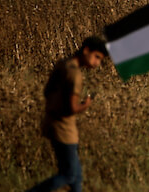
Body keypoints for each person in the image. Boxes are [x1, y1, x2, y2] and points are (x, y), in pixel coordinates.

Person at [24, 36, 109, 192]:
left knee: (77, 177)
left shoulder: (63, 64)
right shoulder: (75, 75)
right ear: (86, 50)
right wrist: (86, 104)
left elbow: (47, 91)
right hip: (65, 130)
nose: (97, 63)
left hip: (51, 121)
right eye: (97, 57)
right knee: (69, 175)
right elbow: (72, 108)